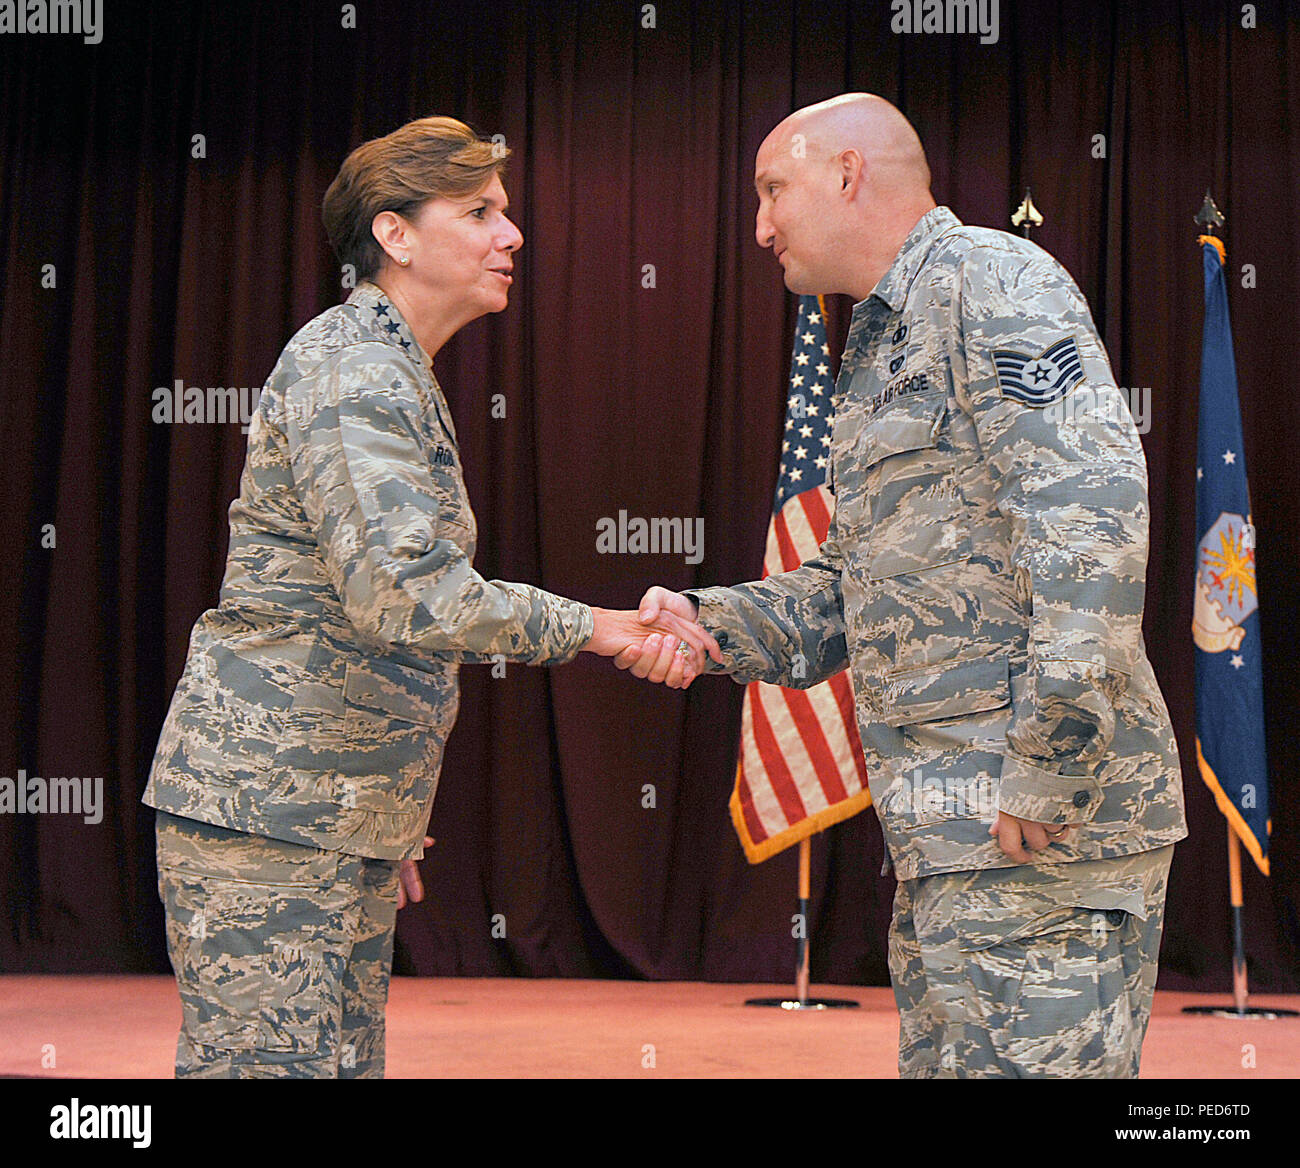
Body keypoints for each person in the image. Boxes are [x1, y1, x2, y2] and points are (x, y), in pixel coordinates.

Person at [622, 93, 1187, 1078]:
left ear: (846, 174)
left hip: (1041, 830)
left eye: (771, 190)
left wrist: (1049, 762)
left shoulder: (993, 281)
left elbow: (1091, 528)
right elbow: (852, 586)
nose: (758, 225)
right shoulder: (876, 345)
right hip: (949, 838)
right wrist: (706, 624)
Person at [143, 115, 718, 1079]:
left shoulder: (395, 364)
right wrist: (604, 630)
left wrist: (385, 810)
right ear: (395, 235)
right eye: (480, 211)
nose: (513, 234)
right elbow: (406, 597)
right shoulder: (356, 366)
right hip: (270, 819)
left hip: (331, 813)